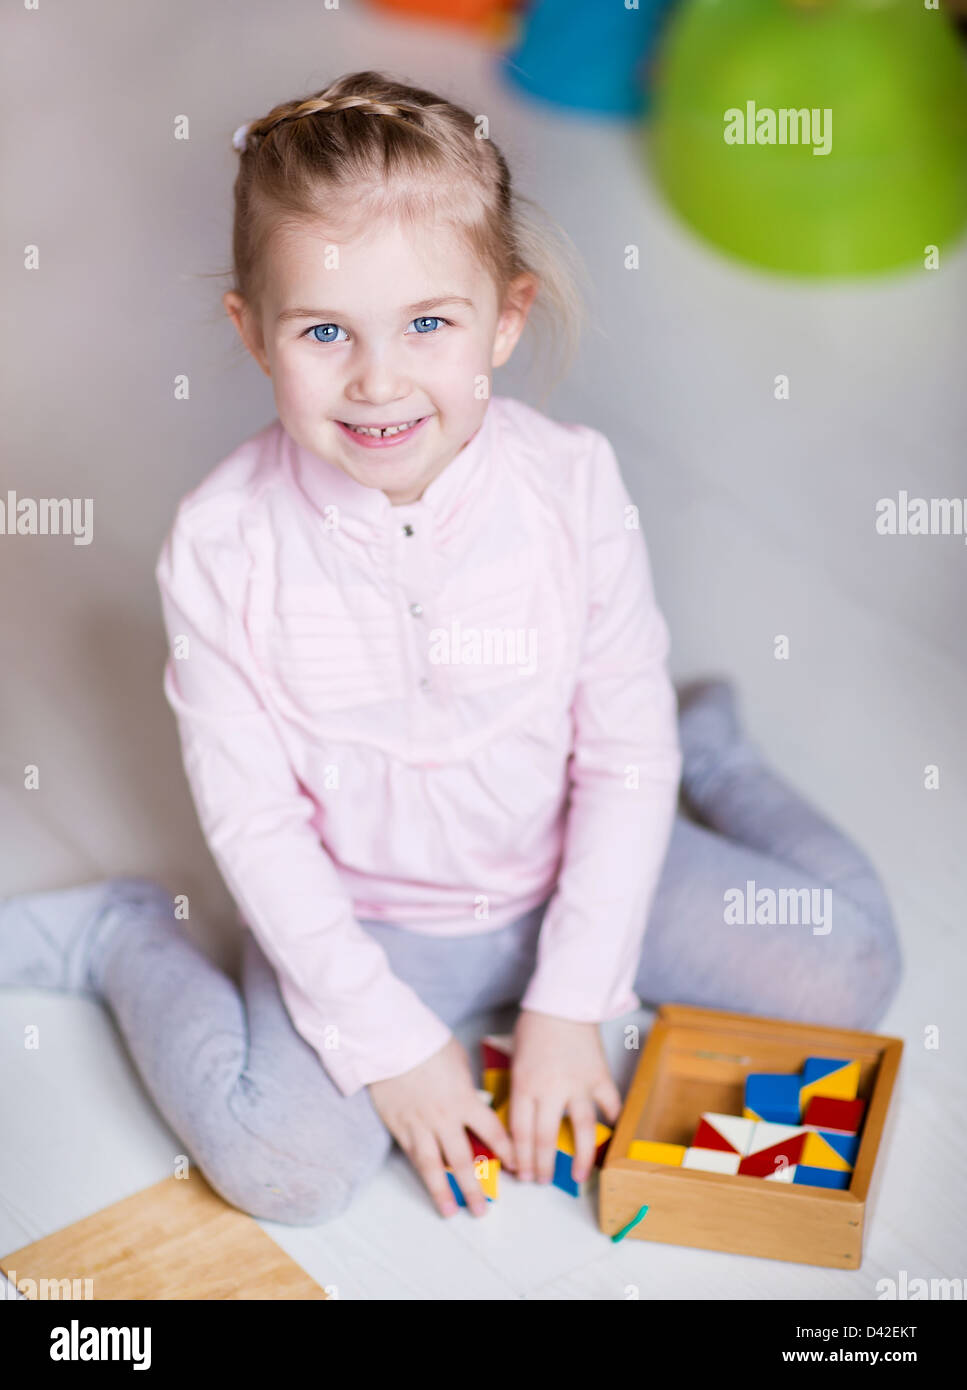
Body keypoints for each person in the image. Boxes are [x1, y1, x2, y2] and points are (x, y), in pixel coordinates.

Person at [0, 72, 901, 1226]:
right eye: (325, 331)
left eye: (429, 323)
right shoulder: (222, 546)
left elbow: (619, 758)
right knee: (288, 1169)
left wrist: (573, 1000)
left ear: (505, 318)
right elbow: (257, 825)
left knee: (848, 976)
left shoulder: (572, 489)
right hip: (369, 920)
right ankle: (124, 935)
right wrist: (385, 1039)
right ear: (251, 333)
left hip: (570, 854)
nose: (379, 380)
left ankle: (713, 754)